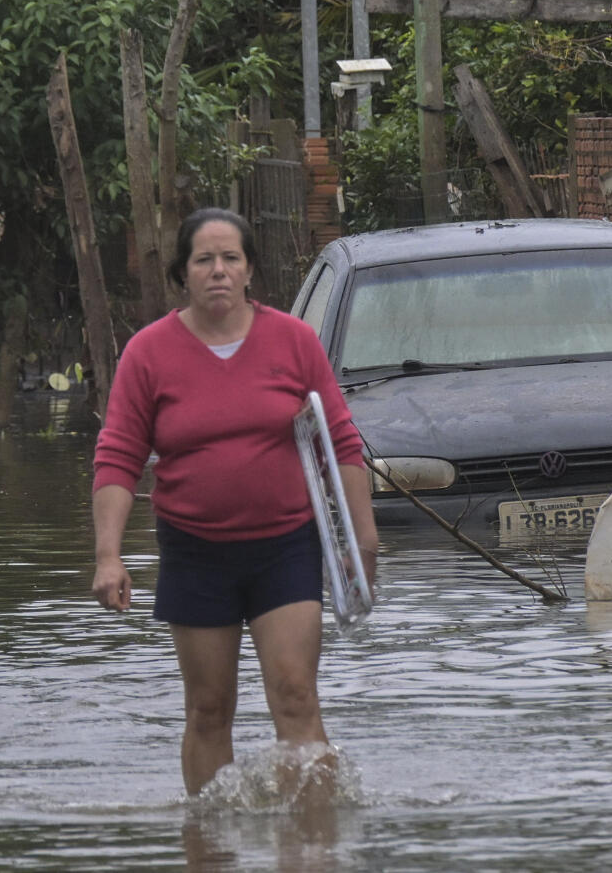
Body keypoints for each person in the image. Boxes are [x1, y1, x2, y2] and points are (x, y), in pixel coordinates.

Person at [89, 207, 377, 794]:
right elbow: (118, 456)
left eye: (230, 258)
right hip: (195, 553)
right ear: (183, 273)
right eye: (204, 260)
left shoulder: (293, 341)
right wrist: (108, 556)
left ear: (249, 271)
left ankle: (313, 833)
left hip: (286, 548)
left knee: (295, 694)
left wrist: (363, 540)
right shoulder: (148, 353)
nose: (218, 270)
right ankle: (207, 835)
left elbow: (340, 441)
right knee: (208, 708)